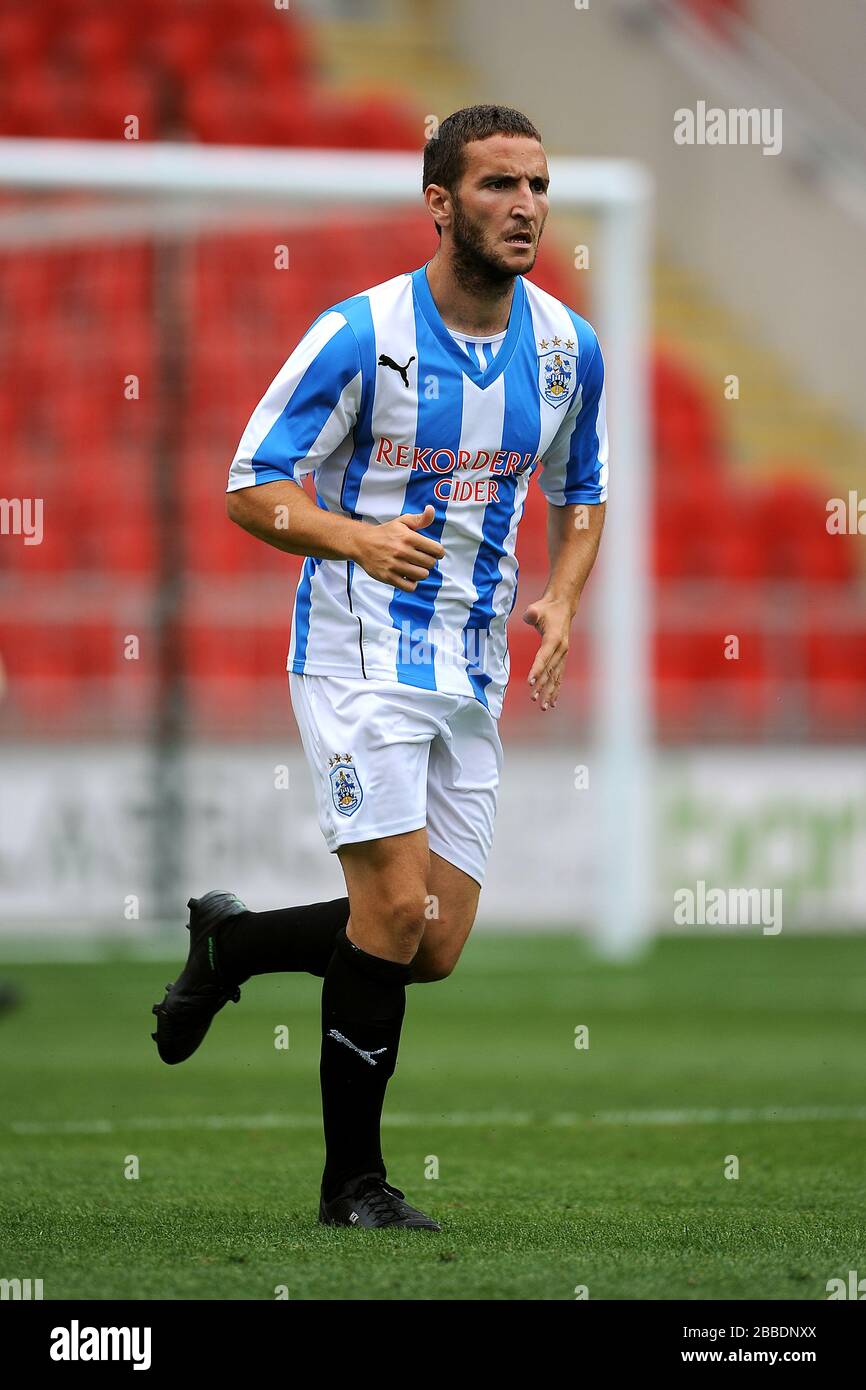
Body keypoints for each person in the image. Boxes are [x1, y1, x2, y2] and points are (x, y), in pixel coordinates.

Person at [152, 104, 608, 1230]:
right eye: (499, 185)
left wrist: (559, 594)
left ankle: (234, 941)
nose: (525, 207)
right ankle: (352, 1184)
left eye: (538, 186)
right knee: (393, 910)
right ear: (440, 202)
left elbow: (583, 488)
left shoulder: (564, 348)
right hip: (356, 659)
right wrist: (352, 534)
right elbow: (251, 484)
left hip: (470, 668)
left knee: (433, 943)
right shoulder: (359, 334)